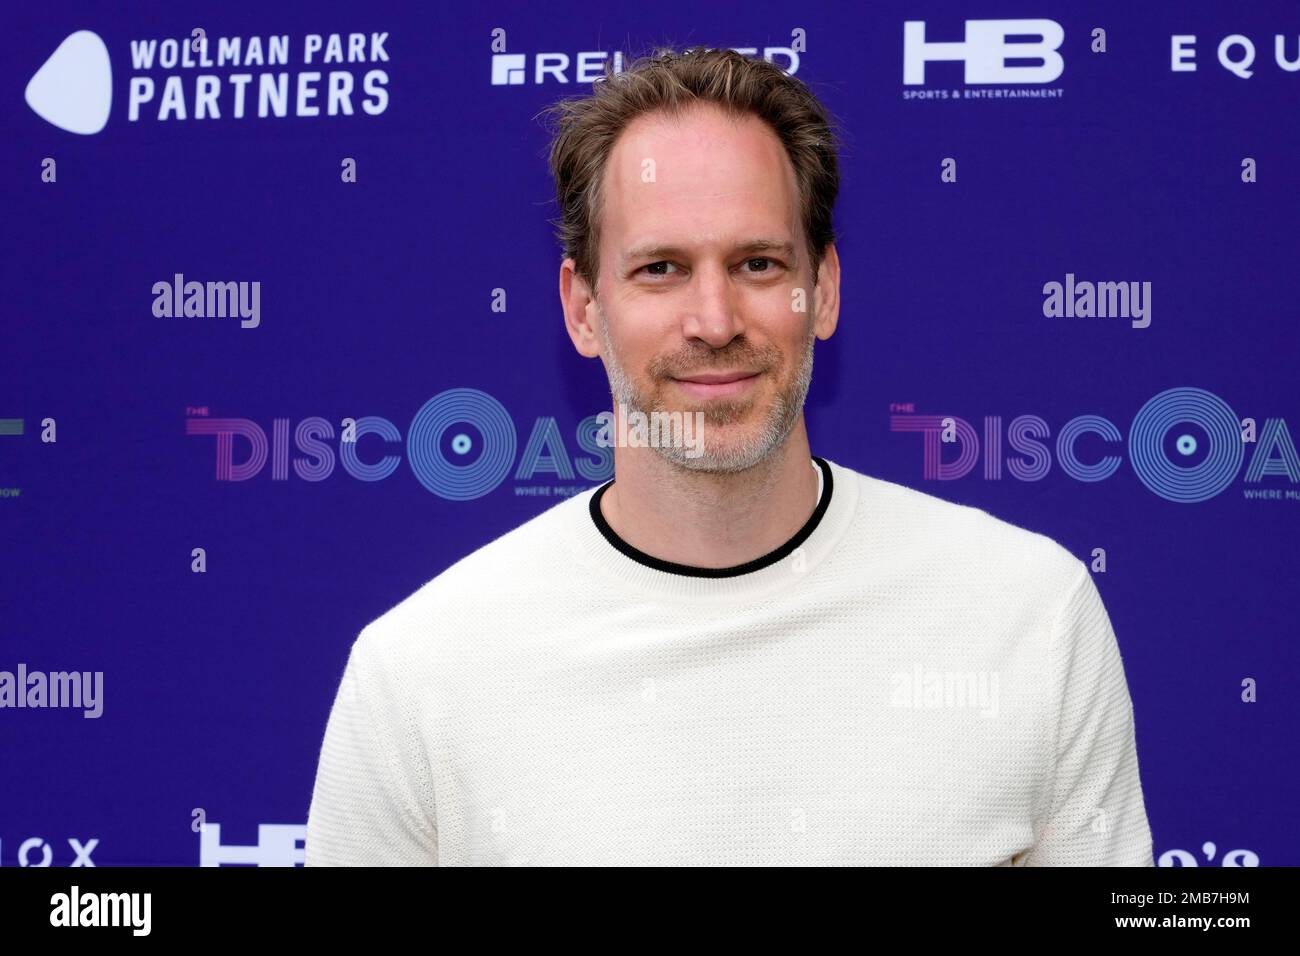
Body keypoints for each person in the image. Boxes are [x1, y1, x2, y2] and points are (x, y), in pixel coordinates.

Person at [305, 46, 1154, 866]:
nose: (714, 321)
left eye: (756, 263)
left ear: (822, 290)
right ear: (582, 309)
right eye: (661, 269)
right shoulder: (421, 673)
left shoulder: (1028, 613)